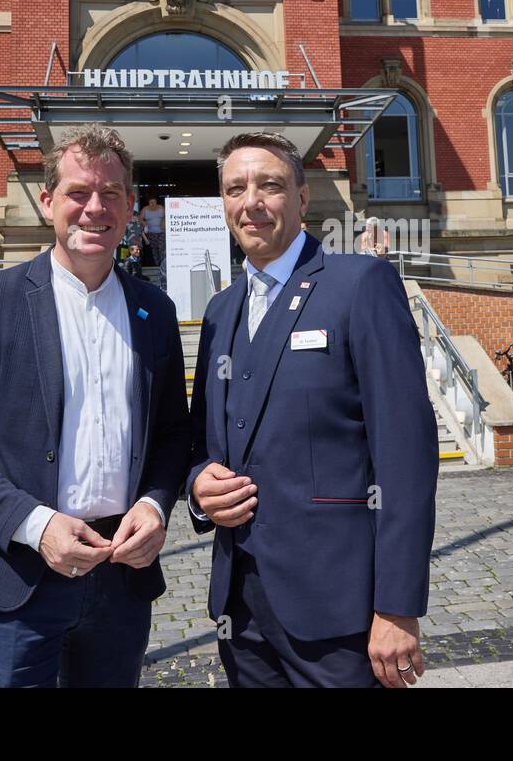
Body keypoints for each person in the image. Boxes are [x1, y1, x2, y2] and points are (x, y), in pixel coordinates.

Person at [0, 124, 191, 688]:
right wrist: (36, 526)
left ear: (131, 207)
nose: (95, 208)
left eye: (112, 194)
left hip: (121, 578)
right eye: (79, 193)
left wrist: (158, 505)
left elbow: (170, 435)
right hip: (18, 578)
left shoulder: (154, 311)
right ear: (48, 203)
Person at [186, 131, 438, 688]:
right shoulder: (221, 312)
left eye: (270, 186)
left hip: (339, 616)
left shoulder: (360, 285)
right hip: (242, 609)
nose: (251, 202)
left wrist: (397, 608)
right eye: (235, 188)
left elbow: (406, 457)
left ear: (302, 198)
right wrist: (199, 485)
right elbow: (202, 444)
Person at [141, 197, 166, 288]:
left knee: (161, 247)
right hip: (151, 232)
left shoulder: (161, 208)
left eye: (154, 202)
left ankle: (162, 263)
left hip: (161, 231)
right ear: (148, 202)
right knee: (154, 248)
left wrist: (163, 222)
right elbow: (140, 218)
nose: (152, 204)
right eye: (151, 202)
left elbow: (166, 216)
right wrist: (145, 224)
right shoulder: (145, 209)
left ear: (156, 202)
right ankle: (156, 264)